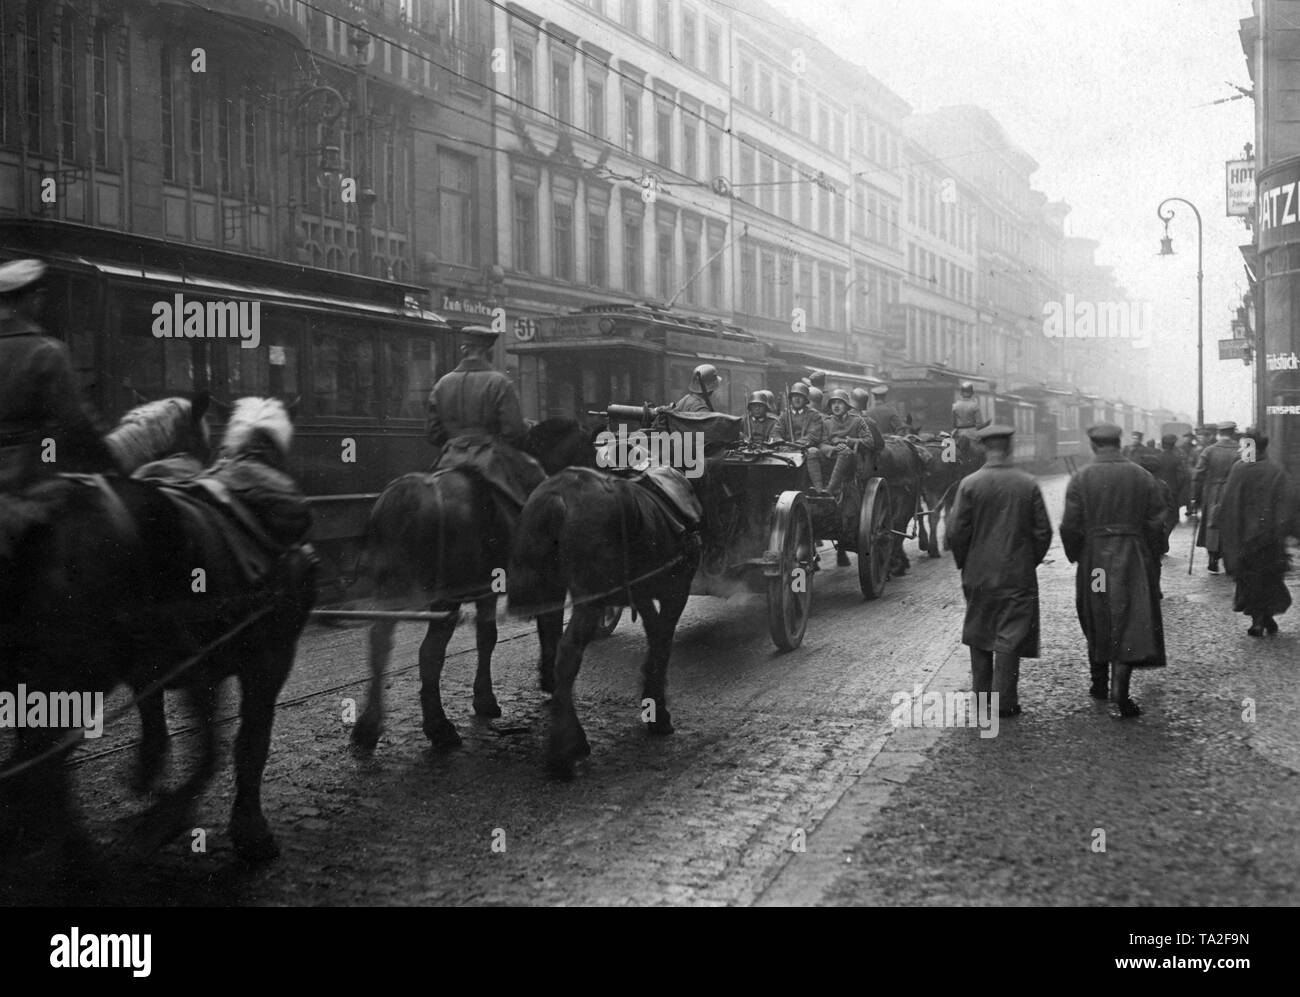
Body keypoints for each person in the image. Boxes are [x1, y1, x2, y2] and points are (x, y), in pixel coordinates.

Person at [1060, 423, 1168, 718]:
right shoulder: (1141, 475)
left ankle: (1098, 681)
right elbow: (1157, 521)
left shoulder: (1081, 478)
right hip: (1132, 557)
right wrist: (1150, 552)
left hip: (1096, 561)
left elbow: (1070, 525)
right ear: (1118, 443)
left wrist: (1078, 555)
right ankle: (1120, 687)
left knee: (1098, 610)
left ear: (1094, 445)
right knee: (1129, 617)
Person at [948, 424, 1052, 718]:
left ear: (983, 448)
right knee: (1011, 635)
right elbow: (1043, 532)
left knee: (980, 631)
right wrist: (1027, 562)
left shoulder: (969, 483)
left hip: (978, 573)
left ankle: (981, 701)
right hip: (1016, 574)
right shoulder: (1027, 483)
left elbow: (956, 532)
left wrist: (966, 564)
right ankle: (1005, 701)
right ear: (1010, 447)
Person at [0, 258, 119, 492]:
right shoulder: (46, 352)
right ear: (32, 299)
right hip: (31, 472)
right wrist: (110, 458)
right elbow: (76, 421)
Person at [425, 325, 544, 533]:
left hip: (449, 459)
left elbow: (433, 434)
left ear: (465, 349)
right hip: (490, 459)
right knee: (538, 483)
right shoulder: (500, 382)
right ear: (487, 351)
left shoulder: (441, 384)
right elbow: (514, 433)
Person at [1216, 432, 1299, 635]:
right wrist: (1282, 529)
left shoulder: (1239, 469)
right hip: (1269, 538)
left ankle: (1258, 621)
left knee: (1249, 579)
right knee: (1268, 578)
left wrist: (1220, 523)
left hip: (1244, 537)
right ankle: (1266, 616)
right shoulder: (1276, 471)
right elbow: (1288, 503)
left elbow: (1228, 502)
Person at [1191, 421, 1240, 573]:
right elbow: (1250, 471)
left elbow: (1198, 475)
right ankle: (1229, 559)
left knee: (1212, 524)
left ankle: (1212, 558)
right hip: (1234, 492)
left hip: (1212, 491)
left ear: (1219, 433)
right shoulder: (1243, 450)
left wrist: (1194, 497)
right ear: (1233, 432)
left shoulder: (1209, 450)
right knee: (1231, 523)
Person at [820, 389, 869, 499]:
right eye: (833, 403)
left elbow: (869, 441)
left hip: (851, 462)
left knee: (845, 452)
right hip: (831, 457)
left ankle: (829, 490)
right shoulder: (826, 422)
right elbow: (821, 444)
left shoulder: (857, 421)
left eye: (840, 403)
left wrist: (850, 441)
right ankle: (818, 489)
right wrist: (834, 449)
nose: (836, 406)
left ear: (847, 406)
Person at [782, 383, 826, 491]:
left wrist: (794, 445)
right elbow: (776, 432)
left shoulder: (814, 415)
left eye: (800, 396)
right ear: (790, 398)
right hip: (786, 450)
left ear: (806, 399)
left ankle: (818, 490)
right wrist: (780, 444)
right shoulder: (784, 415)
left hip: (804, 450)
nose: (796, 399)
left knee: (812, 452)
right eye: (794, 396)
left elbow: (813, 436)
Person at [1155, 434, 1189, 538]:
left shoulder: (1156, 458)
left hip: (1157, 492)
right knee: (1172, 518)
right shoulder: (1177, 459)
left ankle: (1159, 540)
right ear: (1174, 445)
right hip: (1172, 493)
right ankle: (1164, 539)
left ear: (1161, 445)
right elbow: (1182, 477)